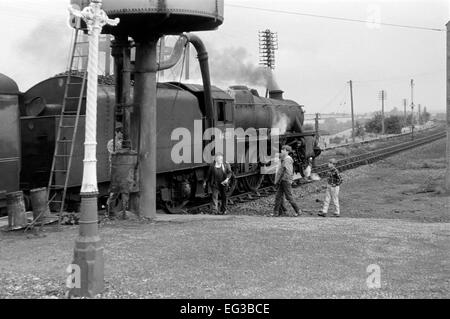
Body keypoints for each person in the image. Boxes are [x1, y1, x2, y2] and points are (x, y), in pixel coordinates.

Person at [272, 145, 302, 217]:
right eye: (281, 149)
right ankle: (276, 213)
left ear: (287, 151)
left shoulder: (287, 159)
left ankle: (298, 210)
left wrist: (283, 179)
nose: (281, 151)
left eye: (283, 150)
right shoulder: (285, 159)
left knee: (289, 197)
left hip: (285, 180)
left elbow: (287, 171)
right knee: (278, 196)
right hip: (283, 180)